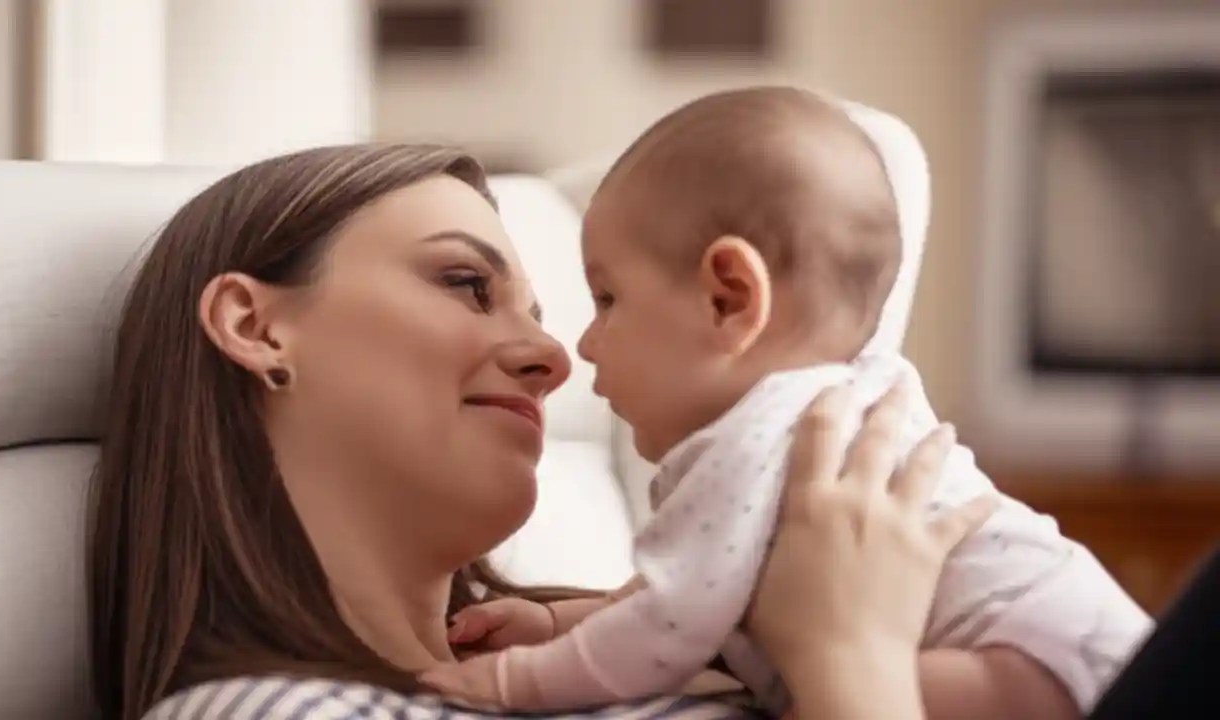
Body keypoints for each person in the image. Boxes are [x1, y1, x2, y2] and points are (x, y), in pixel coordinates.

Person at [90, 142, 972, 720]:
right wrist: (850, 661)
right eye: (466, 283)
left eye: (544, 312)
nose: (556, 357)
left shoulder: (619, 636)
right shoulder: (263, 711)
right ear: (256, 327)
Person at [418, 87, 1150, 720]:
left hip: (1025, 652)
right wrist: (556, 621)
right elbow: (701, 597)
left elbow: (676, 622)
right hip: (1080, 641)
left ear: (729, 298)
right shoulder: (813, 414)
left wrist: (518, 681)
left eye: (608, 299)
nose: (586, 343)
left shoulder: (765, 436)